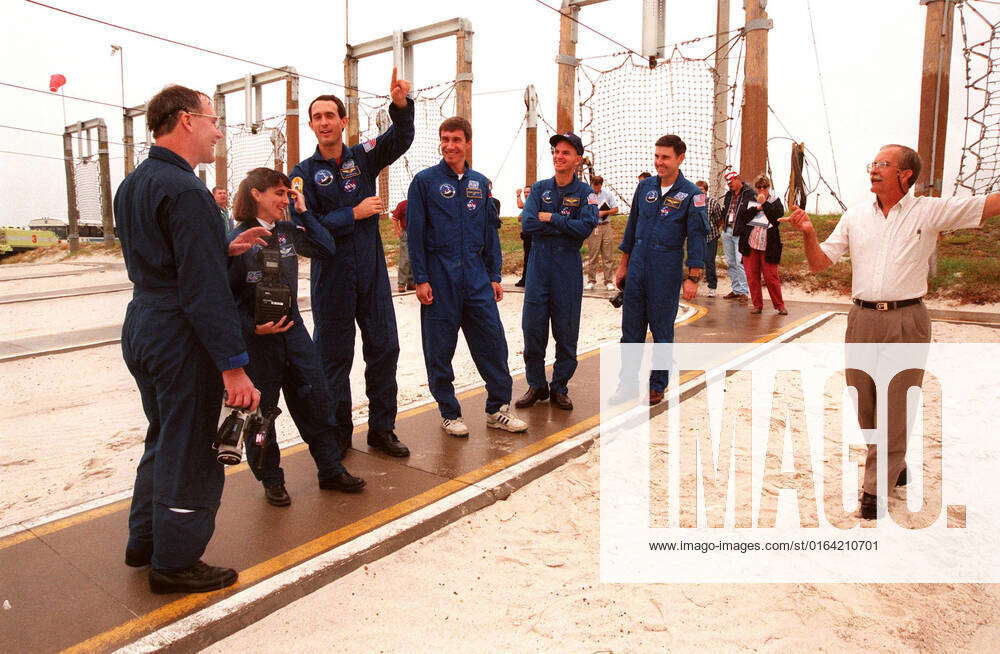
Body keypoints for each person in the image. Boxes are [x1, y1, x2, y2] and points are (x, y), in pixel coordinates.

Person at [782, 143, 1000, 519]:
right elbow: (819, 264)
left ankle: (874, 489)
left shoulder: (929, 211)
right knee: (864, 402)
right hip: (861, 319)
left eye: (884, 164)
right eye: (873, 162)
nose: (874, 169)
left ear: (906, 175)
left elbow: (987, 205)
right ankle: (894, 467)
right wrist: (807, 233)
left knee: (895, 405)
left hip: (907, 320)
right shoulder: (854, 216)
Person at [114, 84, 268, 594]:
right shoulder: (186, 191)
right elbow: (202, 291)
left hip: (144, 322)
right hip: (181, 332)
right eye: (212, 119)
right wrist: (234, 366)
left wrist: (222, 246)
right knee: (193, 445)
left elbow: (164, 257)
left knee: (162, 434)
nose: (218, 130)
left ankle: (145, 541)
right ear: (185, 121)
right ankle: (175, 561)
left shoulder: (134, 184)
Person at [289, 68, 414, 459]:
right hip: (332, 280)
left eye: (331, 115)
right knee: (333, 360)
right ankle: (338, 435)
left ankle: (382, 429)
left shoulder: (361, 157)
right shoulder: (301, 176)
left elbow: (400, 139)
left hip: (372, 275)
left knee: (384, 348)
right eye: (318, 117)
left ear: (344, 122)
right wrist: (354, 213)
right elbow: (305, 234)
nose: (325, 122)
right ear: (311, 125)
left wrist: (400, 107)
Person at [226, 167, 366, 507]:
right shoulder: (237, 240)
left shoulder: (288, 231)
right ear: (256, 194)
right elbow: (224, 298)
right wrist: (250, 327)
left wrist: (304, 210)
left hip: (295, 333)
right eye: (278, 193)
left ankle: (330, 470)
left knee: (317, 402)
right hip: (259, 341)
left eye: (287, 193)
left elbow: (325, 246)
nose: (284, 200)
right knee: (262, 416)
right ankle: (271, 479)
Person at [406, 116, 528, 437]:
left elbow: (490, 232)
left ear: (467, 143)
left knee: (493, 344)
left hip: (476, 280)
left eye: (456, 139)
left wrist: (494, 275)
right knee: (439, 350)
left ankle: (497, 409)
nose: (450, 145)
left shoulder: (480, 184)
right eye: (445, 139)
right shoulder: (425, 182)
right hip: (439, 279)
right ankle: (449, 413)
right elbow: (415, 235)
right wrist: (421, 278)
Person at [615, 135, 706, 406]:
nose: (659, 162)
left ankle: (657, 385)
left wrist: (693, 277)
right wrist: (623, 265)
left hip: (666, 269)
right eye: (656, 156)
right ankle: (627, 383)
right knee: (630, 332)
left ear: (680, 158)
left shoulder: (693, 194)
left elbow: (697, 238)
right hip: (638, 267)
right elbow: (631, 228)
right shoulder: (645, 188)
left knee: (662, 332)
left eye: (665, 157)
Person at [516, 133, 598, 411]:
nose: (559, 156)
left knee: (566, 332)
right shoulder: (539, 189)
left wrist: (551, 217)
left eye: (565, 152)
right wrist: (565, 225)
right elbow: (527, 224)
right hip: (539, 266)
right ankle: (536, 385)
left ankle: (559, 386)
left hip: (567, 268)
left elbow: (585, 228)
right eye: (556, 152)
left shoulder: (586, 193)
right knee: (533, 330)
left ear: (577, 159)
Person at [735, 174, 786, 315]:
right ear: (755, 188)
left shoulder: (775, 201)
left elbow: (776, 219)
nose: (762, 189)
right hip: (750, 243)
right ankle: (757, 305)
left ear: (769, 187)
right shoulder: (749, 200)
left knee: (771, 277)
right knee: (752, 276)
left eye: (764, 187)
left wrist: (765, 204)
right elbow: (742, 217)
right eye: (759, 187)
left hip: (768, 245)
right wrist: (756, 208)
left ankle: (779, 305)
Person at [584, 174, 619, 291]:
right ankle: (591, 280)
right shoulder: (588, 195)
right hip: (594, 227)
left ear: (601, 185)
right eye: (594, 186)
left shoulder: (607, 194)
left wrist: (604, 212)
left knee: (608, 254)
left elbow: (616, 209)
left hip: (606, 225)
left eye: (598, 186)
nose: (596, 188)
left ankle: (608, 281)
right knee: (593, 255)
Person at [720, 171, 751, 301]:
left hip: (740, 232)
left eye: (731, 182)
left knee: (740, 262)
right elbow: (725, 210)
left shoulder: (749, 193)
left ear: (737, 179)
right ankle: (736, 289)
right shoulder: (728, 194)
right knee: (731, 262)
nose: (729, 185)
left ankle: (744, 291)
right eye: (727, 183)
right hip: (728, 230)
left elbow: (753, 212)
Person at [695, 180, 723, 297]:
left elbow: (718, 220)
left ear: (706, 191)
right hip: (697, 237)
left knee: (709, 262)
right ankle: (694, 285)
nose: (699, 192)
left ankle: (712, 287)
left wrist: (712, 230)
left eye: (702, 190)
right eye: (697, 190)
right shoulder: (693, 203)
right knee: (695, 262)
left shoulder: (713, 203)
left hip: (711, 237)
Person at [391, 199, 415, 293]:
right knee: (405, 259)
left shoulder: (418, 202)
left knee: (414, 258)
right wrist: (398, 232)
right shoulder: (402, 204)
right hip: (406, 233)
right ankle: (401, 284)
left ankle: (411, 283)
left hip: (417, 233)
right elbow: (394, 219)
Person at [515, 185, 532, 287]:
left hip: (532, 235)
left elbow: (520, 206)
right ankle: (526, 279)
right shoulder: (529, 203)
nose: (526, 194)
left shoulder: (533, 202)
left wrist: (518, 196)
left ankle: (526, 280)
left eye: (528, 192)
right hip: (526, 234)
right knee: (527, 258)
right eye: (525, 192)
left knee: (529, 258)